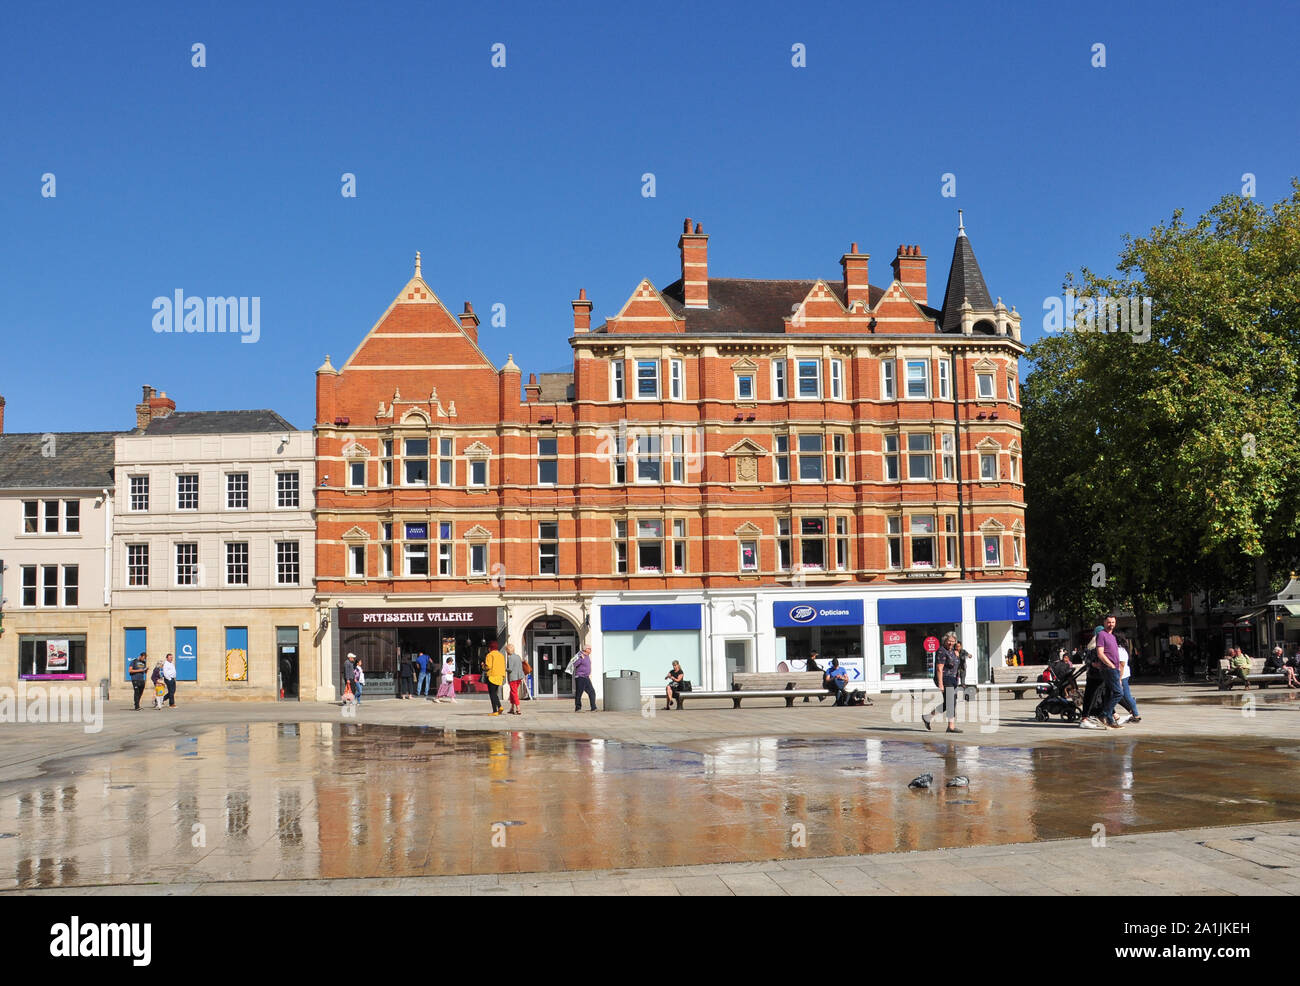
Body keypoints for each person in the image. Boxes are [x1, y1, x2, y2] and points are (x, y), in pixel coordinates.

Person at [923, 633, 963, 732]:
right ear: (944, 641)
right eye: (949, 641)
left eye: (953, 641)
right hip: (944, 678)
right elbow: (939, 668)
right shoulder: (941, 651)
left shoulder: (954, 651)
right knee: (951, 702)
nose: (951, 643)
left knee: (948, 703)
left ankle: (927, 717)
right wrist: (940, 684)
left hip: (953, 679)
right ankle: (951, 726)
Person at [1094, 616, 1123, 727]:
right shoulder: (1102, 635)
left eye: (1113, 622)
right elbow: (1100, 653)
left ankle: (1110, 721)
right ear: (1104, 622)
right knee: (1119, 693)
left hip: (1114, 668)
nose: (1111, 624)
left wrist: (1118, 668)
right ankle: (1104, 714)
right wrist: (1110, 665)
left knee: (1109, 694)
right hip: (1108, 669)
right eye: (1109, 622)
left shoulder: (1112, 636)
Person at [1116, 635, 1141, 723]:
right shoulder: (1121, 649)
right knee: (1123, 695)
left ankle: (1136, 714)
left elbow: (1121, 665)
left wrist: (1119, 678)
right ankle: (1134, 712)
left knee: (1126, 695)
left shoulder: (1120, 650)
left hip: (1122, 676)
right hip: (1123, 675)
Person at [483, 640, 506, 715]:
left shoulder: (490, 655)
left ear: (490, 648)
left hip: (492, 676)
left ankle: (496, 710)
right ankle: (498, 708)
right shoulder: (501, 655)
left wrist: (483, 665)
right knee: (495, 693)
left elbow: (488, 666)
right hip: (500, 676)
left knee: (492, 694)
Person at [572, 645, 597, 712]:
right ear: (585, 649)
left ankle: (593, 708)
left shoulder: (587, 656)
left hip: (586, 677)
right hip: (580, 677)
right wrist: (580, 658)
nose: (591, 650)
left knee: (592, 692)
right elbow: (574, 664)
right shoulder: (580, 656)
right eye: (589, 649)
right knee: (579, 693)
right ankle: (578, 708)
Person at [505, 643, 525, 715]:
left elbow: (510, 669)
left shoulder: (510, 658)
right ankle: (512, 707)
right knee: (512, 692)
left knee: (514, 692)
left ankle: (518, 708)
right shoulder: (518, 656)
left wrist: (504, 668)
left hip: (513, 677)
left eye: (506, 650)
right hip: (519, 677)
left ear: (508, 650)